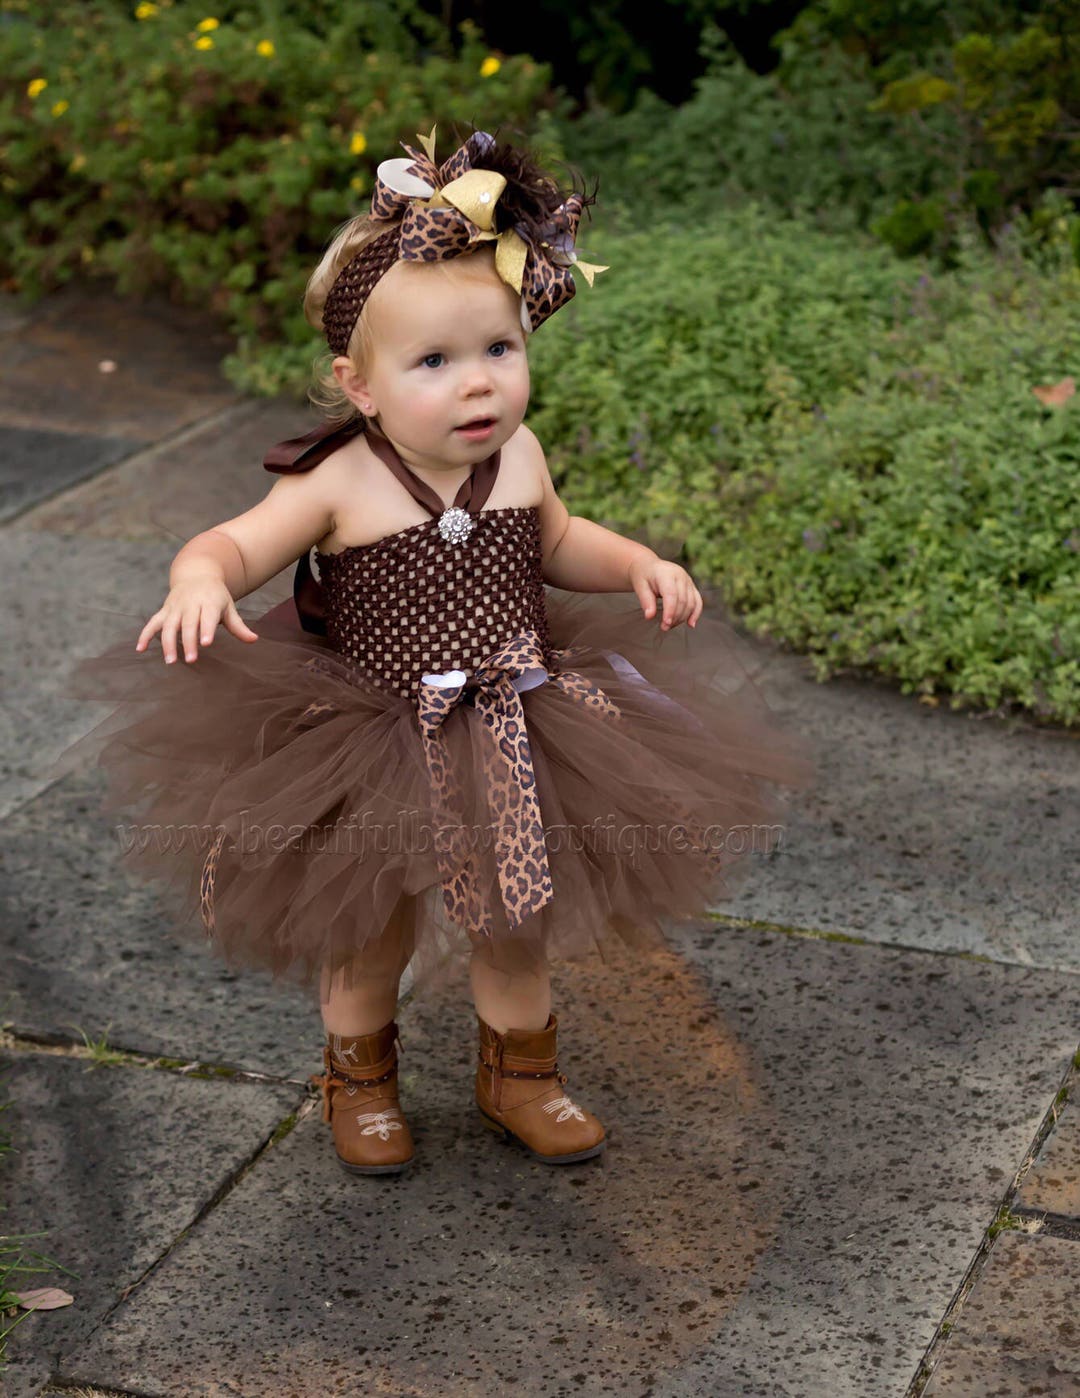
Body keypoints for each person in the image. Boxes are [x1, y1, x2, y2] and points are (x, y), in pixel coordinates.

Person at [53, 125, 817, 1177]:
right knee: (370, 926)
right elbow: (236, 543)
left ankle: (522, 1075)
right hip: (375, 740)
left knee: (518, 915)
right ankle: (359, 1081)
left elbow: (555, 542)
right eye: (435, 363)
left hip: (519, 719)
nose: (477, 386)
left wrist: (635, 560)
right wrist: (198, 579)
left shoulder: (519, 456)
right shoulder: (336, 481)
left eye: (499, 351)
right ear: (358, 384)